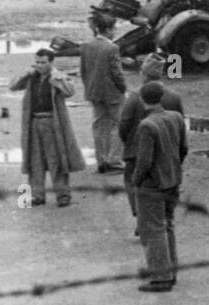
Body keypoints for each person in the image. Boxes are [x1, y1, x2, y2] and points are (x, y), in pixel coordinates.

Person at [9, 48, 86, 207]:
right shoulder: (32, 77)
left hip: (52, 122)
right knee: (34, 160)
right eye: (37, 62)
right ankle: (37, 195)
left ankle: (62, 194)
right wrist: (26, 72)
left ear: (51, 62)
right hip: (34, 122)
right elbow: (13, 85)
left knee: (56, 159)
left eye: (43, 62)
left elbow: (70, 91)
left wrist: (56, 78)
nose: (39, 65)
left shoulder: (57, 76)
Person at [131, 81, 187, 292]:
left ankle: (161, 277)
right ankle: (171, 271)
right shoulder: (176, 117)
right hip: (172, 181)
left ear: (142, 100)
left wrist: (135, 181)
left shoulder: (146, 125)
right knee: (168, 226)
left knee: (153, 230)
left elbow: (144, 162)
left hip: (152, 185)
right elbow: (184, 149)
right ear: (161, 97)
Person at [118, 52, 184, 224]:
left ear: (144, 74)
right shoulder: (174, 97)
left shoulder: (134, 97)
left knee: (133, 181)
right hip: (167, 152)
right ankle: (164, 217)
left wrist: (129, 144)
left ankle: (141, 216)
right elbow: (180, 125)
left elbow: (124, 125)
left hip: (137, 151)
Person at [80, 12, 127, 174]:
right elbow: (117, 73)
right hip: (112, 93)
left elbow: (83, 71)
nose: (115, 32)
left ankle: (101, 160)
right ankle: (114, 160)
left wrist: (89, 88)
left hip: (94, 92)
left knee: (99, 125)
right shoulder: (112, 48)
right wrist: (123, 89)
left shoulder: (86, 46)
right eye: (114, 28)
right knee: (118, 124)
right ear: (107, 29)